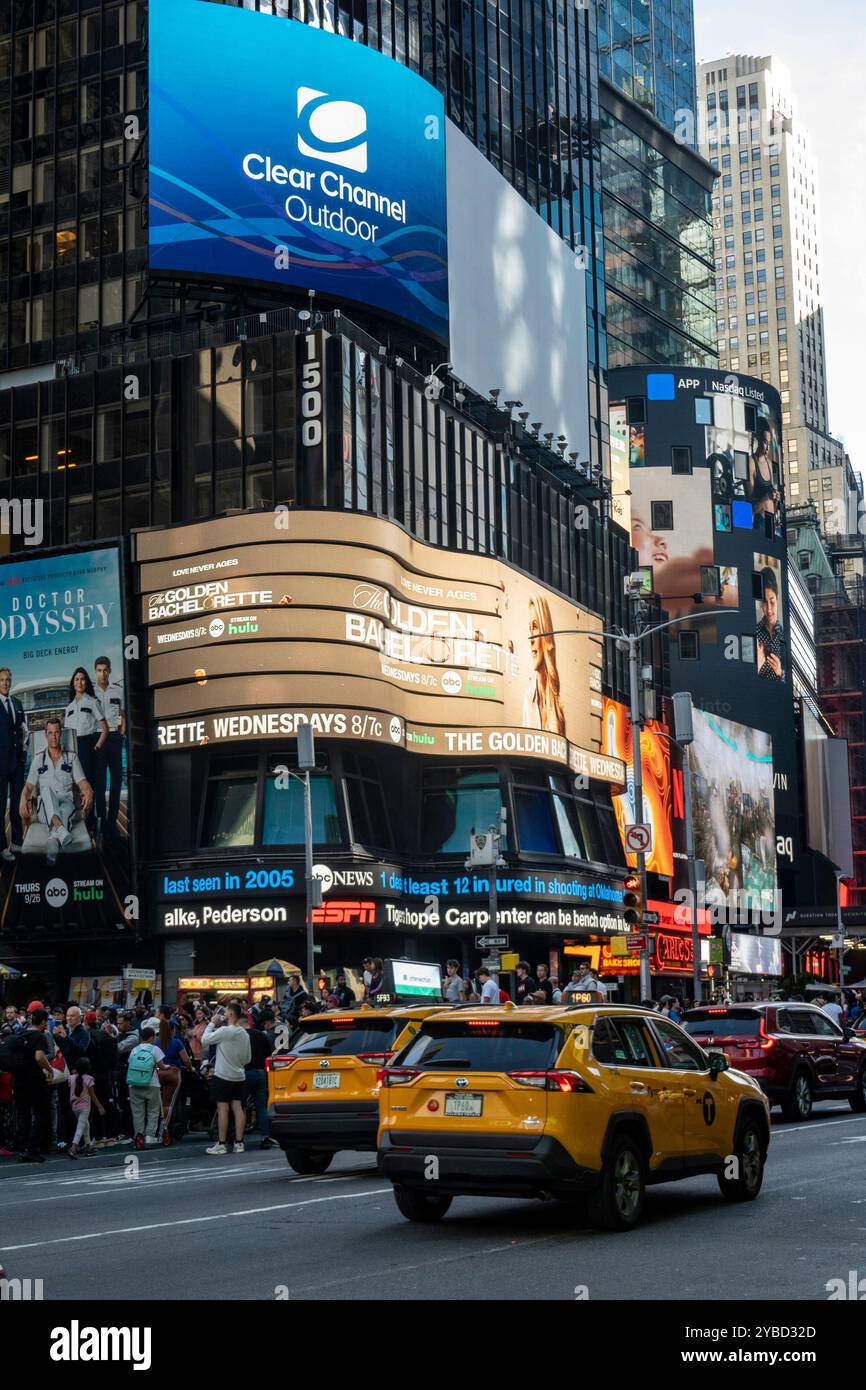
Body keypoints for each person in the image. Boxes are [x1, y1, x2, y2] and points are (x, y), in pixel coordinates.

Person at [19, 717, 94, 864]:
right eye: (50, 733)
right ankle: (60, 829)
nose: (54, 736)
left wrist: (88, 790)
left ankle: (53, 838)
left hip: (66, 803)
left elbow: (82, 782)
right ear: (45, 735)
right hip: (43, 807)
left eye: (57, 732)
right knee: (46, 790)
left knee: (65, 809)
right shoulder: (38, 760)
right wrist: (23, 798)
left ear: (61, 734)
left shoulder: (71, 758)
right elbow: (28, 786)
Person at [203, 1002, 252, 1156]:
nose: (223, 1014)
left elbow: (205, 1040)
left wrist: (211, 1023)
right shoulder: (244, 1033)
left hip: (223, 1075)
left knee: (222, 1108)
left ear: (231, 1014)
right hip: (239, 1075)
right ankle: (239, 1143)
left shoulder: (225, 1030)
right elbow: (247, 1059)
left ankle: (222, 1144)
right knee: (238, 1108)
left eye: (225, 1012)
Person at [63, 668, 108, 826]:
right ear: (73, 683)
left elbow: (105, 728)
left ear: (86, 682)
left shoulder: (92, 701)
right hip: (72, 749)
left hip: (87, 747)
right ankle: (77, 822)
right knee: (74, 787)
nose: (79, 682)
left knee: (88, 786)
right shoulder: (68, 707)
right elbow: (66, 733)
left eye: (82, 679)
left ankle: (90, 825)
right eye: (76, 679)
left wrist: (96, 747)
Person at [10, 1007, 54, 1163]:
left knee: (23, 1115)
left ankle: (23, 1148)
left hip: (18, 1081)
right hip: (34, 1081)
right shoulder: (39, 1037)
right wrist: (49, 1069)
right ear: (42, 1022)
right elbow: (39, 1057)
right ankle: (33, 1149)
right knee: (41, 1114)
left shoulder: (19, 1035)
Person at [522, 594, 566, 736]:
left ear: (546, 635)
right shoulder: (528, 699)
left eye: (535, 627)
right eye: (529, 628)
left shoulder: (560, 702)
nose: (530, 638)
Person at [92, 656, 125, 839]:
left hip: (114, 737)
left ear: (110, 671)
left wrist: (122, 734)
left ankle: (112, 824)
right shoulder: (91, 693)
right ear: (95, 671)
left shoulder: (118, 691)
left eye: (105, 670)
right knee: (99, 783)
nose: (102, 673)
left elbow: (123, 714)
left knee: (117, 781)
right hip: (98, 737)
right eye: (99, 670)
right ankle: (101, 823)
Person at [0, 666, 29, 863]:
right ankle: (2, 847)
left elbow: (23, 730)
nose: (5, 683)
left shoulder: (17, 703)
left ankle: (17, 842)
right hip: (0, 765)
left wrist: (24, 750)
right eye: (2, 680)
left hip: (17, 764)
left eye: (8, 679)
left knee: (18, 804)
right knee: (0, 807)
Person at [126, 1026, 165, 1147]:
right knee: (153, 1111)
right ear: (152, 1037)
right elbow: (162, 1066)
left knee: (137, 1112)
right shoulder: (155, 1049)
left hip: (134, 1084)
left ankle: (139, 1136)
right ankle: (150, 1136)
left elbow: (130, 1063)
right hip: (152, 1084)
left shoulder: (134, 1050)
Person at [244, 1014, 276, 1149]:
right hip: (260, 1073)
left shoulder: (240, 1036)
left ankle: (237, 1138)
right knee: (261, 1107)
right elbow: (270, 1053)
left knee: (239, 1106)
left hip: (244, 1073)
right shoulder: (262, 1035)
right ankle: (265, 1136)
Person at [67, 1057, 104, 1158]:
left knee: (85, 1126)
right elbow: (92, 1095)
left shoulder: (71, 1078)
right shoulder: (89, 1079)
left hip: (74, 1106)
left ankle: (88, 1147)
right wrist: (100, 1106)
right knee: (80, 1127)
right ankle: (73, 1148)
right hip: (85, 1107)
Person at [746, 420, 780, 524]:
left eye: (769, 443)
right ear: (757, 439)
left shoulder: (771, 464)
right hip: (758, 522)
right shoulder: (750, 463)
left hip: (771, 522)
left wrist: (776, 498)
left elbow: (773, 504)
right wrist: (766, 498)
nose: (767, 448)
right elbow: (749, 508)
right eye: (765, 442)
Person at [756, 567, 784, 682]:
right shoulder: (754, 633)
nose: (769, 610)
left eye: (772, 602)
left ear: (777, 599)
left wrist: (780, 672)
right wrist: (757, 667)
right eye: (764, 603)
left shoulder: (784, 634)